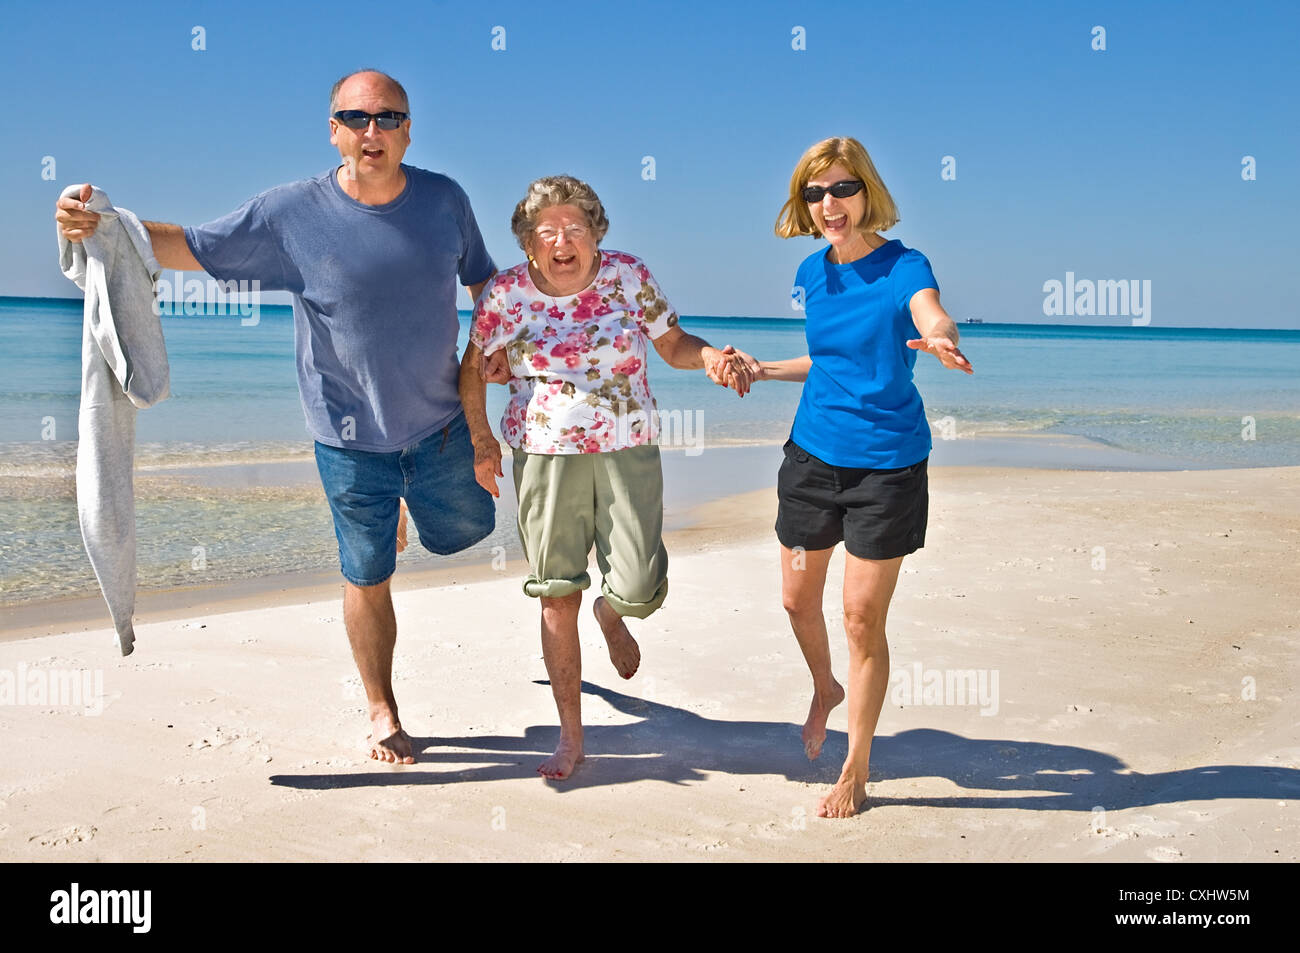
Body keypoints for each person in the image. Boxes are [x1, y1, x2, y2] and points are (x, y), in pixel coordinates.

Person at [54, 69, 497, 766]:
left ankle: (407, 510)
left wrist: (494, 351)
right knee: (366, 573)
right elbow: (191, 246)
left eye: (387, 118)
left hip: (439, 424)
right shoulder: (292, 213)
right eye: (355, 118)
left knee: (472, 528)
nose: (371, 131)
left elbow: (487, 284)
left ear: (409, 128)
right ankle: (383, 707)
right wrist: (106, 225)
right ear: (333, 130)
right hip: (347, 439)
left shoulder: (446, 201)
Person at [460, 175, 754, 780]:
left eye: (575, 229)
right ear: (527, 243)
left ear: (596, 234)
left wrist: (710, 359)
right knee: (555, 592)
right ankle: (572, 735)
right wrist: (482, 443)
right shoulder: (507, 293)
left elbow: (671, 343)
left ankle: (614, 611)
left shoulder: (628, 276)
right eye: (546, 232)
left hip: (628, 446)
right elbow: (472, 367)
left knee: (643, 584)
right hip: (543, 452)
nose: (561, 242)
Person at [738, 136, 973, 818]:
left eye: (842, 189)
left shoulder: (905, 266)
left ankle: (857, 766)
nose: (829, 203)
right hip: (812, 458)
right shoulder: (814, 274)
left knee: (861, 617)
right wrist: (761, 368)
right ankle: (823, 686)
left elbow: (931, 311)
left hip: (889, 466)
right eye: (815, 193)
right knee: (795, 601)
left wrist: (942, 335)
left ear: (867, 191)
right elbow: (830, 362)